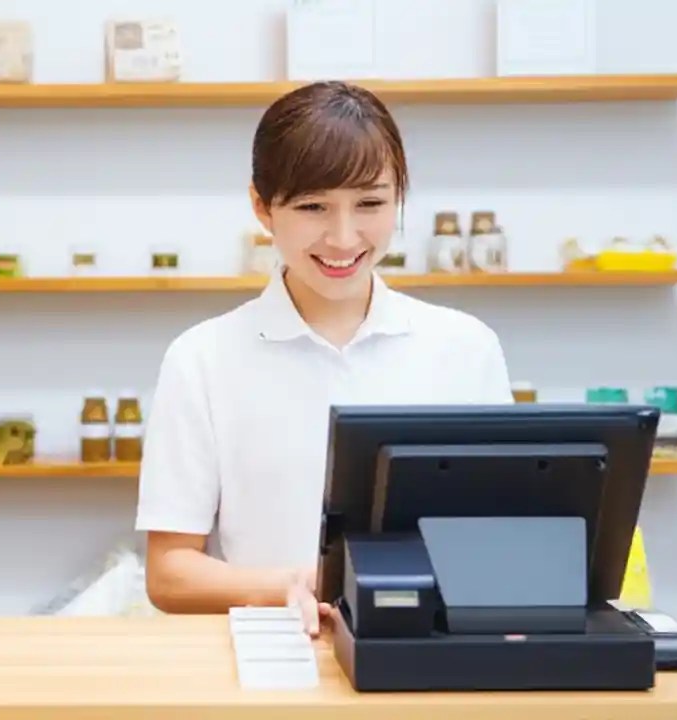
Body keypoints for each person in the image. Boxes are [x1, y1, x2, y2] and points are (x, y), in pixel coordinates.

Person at [135, 81, 512, 635]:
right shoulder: (202, 358)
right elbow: (169, 573)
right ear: (262, 207)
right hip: (273, 650)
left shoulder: (465, 347)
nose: (343, 237)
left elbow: (503, 538)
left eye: (370, 204)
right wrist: (291, 587)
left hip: (433, 650)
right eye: (313, 207)